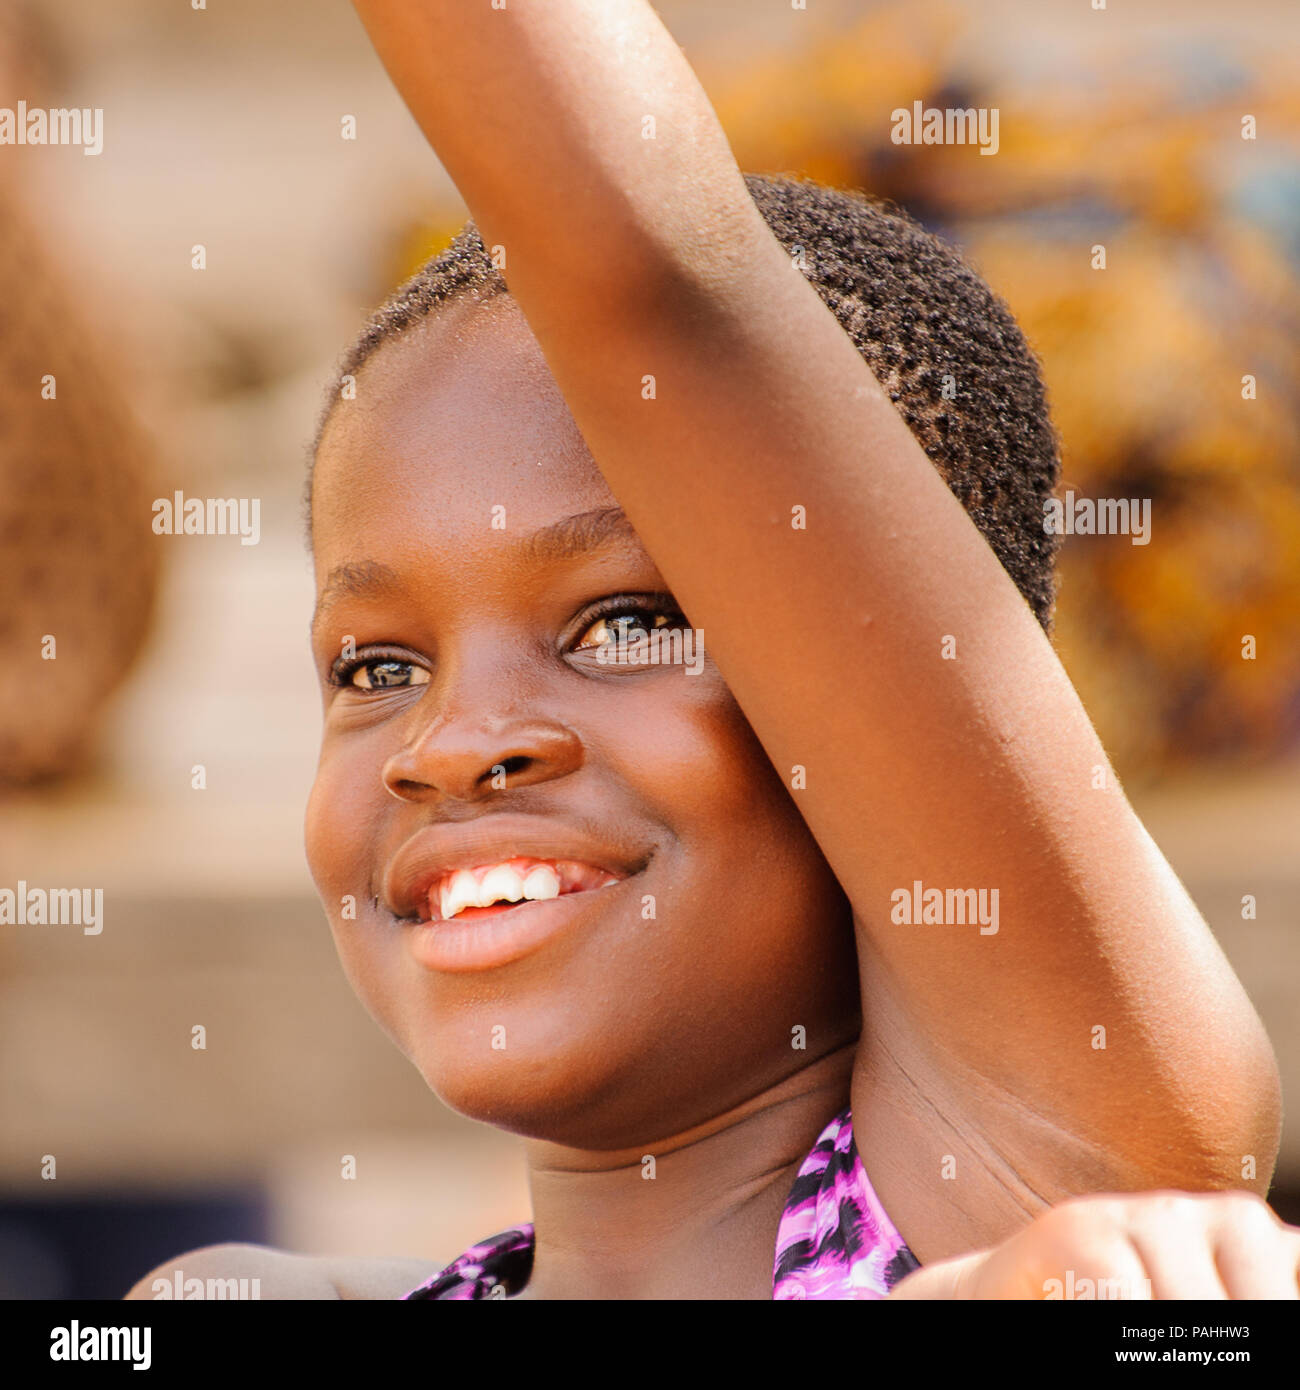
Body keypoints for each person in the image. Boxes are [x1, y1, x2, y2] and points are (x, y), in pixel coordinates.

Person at [128, 0, 1293, 1300]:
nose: (449, 744)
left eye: (622, 625)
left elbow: (649, 276)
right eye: (377, 666)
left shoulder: (1040, 1175)